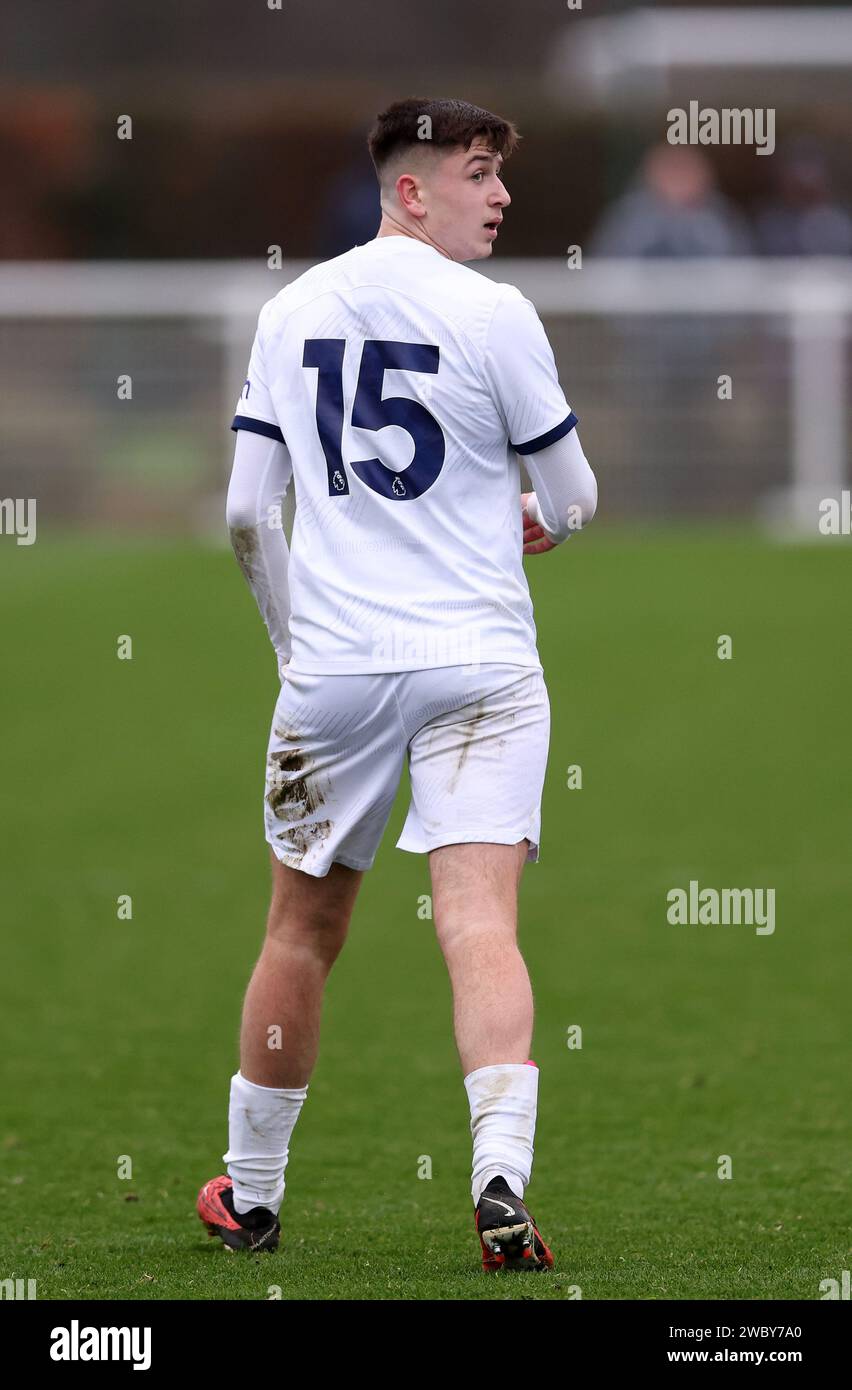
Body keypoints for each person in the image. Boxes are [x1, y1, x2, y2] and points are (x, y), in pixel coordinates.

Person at [196, 96, 597, 1272]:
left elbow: (240, 513)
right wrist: (537, 518)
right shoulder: (499, 313)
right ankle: (498, 1175)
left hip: (335, 673)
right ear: (411, 190)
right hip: (481, 663)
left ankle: (254, 1196)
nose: (502, 194)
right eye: (479, 173)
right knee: (478, 922)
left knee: (302, 933)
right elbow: (574, 496)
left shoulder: (289, 308)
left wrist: (292, 646)